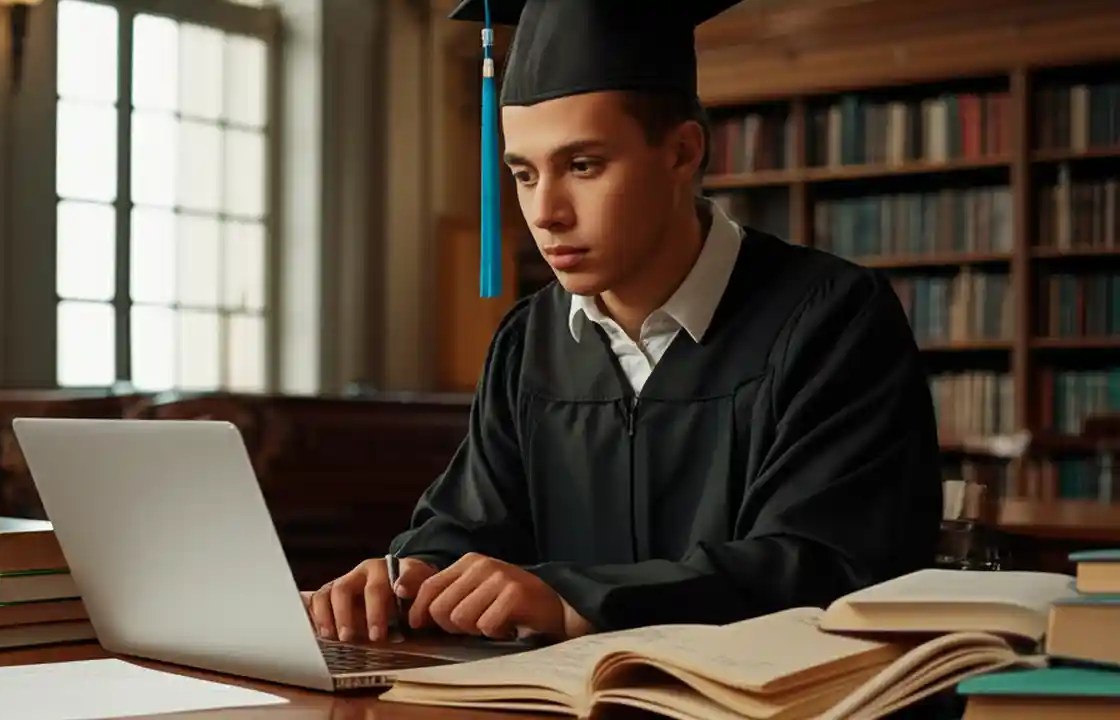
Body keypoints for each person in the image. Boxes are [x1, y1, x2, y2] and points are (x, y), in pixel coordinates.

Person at [307, 0, 943, 645]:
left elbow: (829, 561)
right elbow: (472, 525)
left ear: (682, 153)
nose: (546, 212)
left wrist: (573, 599)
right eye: (524, 174)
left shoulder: (830, 318)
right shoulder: (529, 340)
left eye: (582, 166)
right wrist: (411, 575)